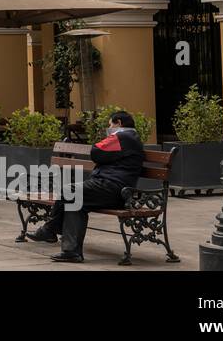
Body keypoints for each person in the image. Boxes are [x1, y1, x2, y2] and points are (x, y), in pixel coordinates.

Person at [26, 111, 146, 263]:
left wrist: (107, 144)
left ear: (119, 123)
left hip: (112, 188)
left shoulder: (123, 136)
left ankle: (50, 230)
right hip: (113, 188)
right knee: (75, 202)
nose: (109, 128)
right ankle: (71, 251)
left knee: (70, 191)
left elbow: (96, 152)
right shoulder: (129, 139)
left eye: (110, 125)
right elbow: (103, 155)